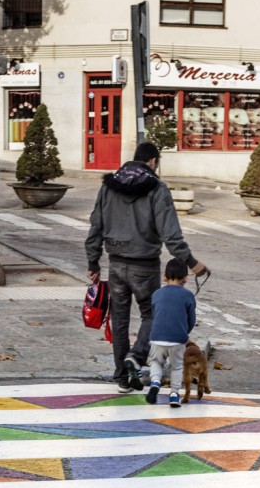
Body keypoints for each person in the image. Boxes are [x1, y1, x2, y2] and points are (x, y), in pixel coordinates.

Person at [85, 141, 208, 393]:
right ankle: (136, 356)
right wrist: (191, 263)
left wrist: (93, 261)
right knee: (151, 314)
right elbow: (170, 233)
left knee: (118, 318)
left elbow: (95, 226)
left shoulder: (109, 188)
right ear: (153, 162)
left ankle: (122, 377)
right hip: (145, 265)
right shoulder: (157, 189)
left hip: (116, 263)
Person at [145, 258, 196, 408]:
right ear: (186, 278)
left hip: (157, 336)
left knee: (156, 361)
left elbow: (154, 315)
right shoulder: (188, 296)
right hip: (177, 338)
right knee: (177, 366)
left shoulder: (157, 294)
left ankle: (155, 382)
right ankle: (174, 394)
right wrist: (184, 333)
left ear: (164, 277)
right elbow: (191, 320)